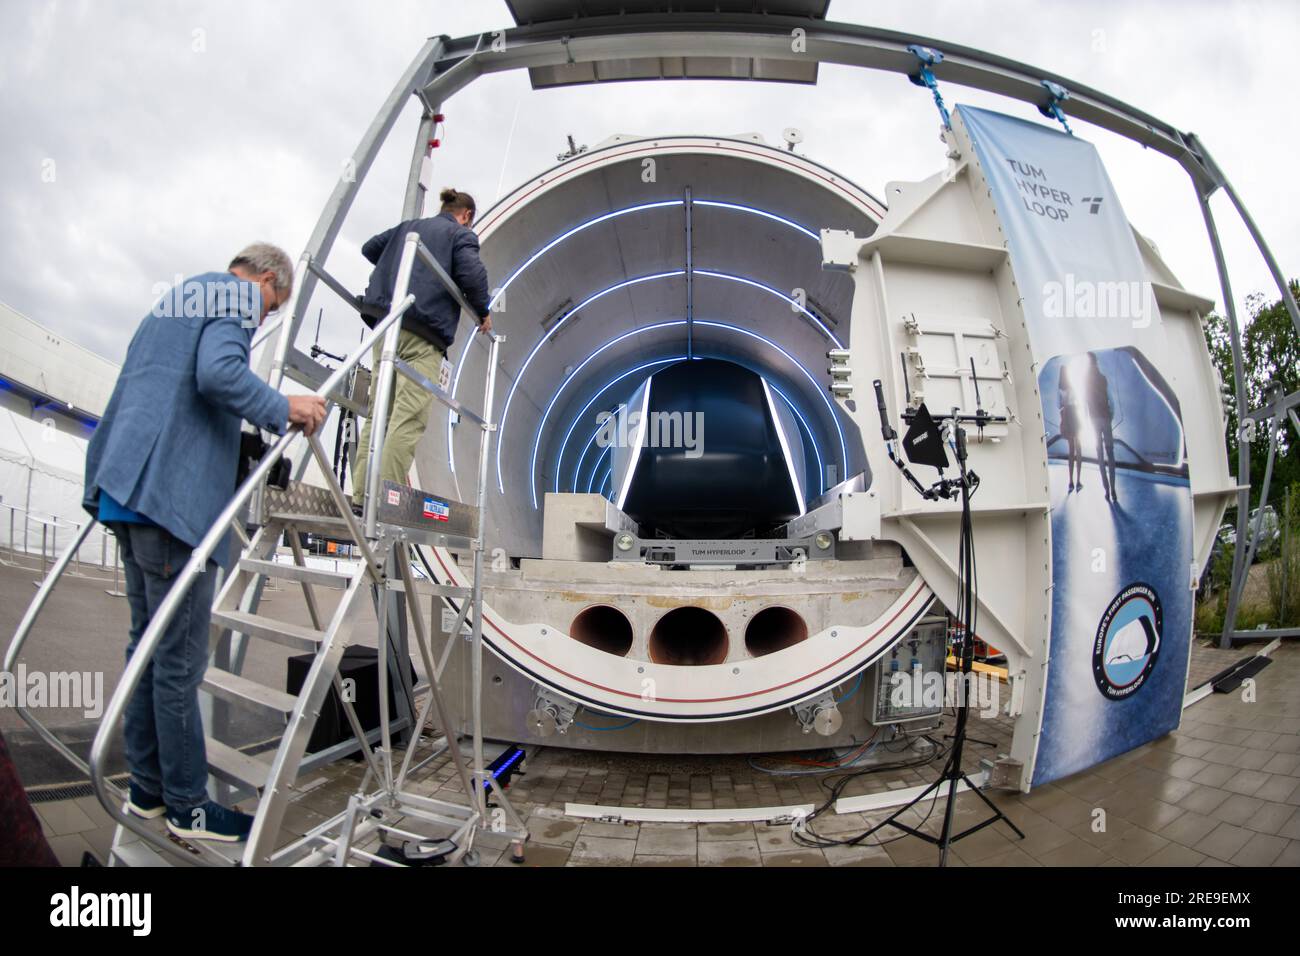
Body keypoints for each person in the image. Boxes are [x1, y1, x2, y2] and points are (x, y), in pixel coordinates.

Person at [83, 243, 327, 843]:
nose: (264, 317)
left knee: (147, 651)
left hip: (125, 487)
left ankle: (148, 792)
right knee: (179, 665)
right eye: (274, 305)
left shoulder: (174, 301)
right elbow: (218, 374)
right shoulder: (236, 292)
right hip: (171, 502)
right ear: (268, 280)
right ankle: (190, 808)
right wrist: (283, 407)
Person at [351, 188, 492, 511]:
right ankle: (388, 500)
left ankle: (361, 496)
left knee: (378, 415)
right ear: (467, 214)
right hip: (423, 334)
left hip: (385, 326)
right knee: (408, 418)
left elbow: (369, 248)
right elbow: (472, 276)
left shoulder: (407, 228)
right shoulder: (460, 235)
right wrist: (483, 312)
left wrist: (400, 266)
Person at [1083, 351, 1119, 504]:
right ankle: (1113, 489)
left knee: (1100, 456)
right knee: (1110, 454)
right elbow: (1112, 401)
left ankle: (1105, 489)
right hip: (1105, 418)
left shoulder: (1085, 381)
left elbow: (1085, 404)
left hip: (1094, 420)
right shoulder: (1103, 379)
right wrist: (1110, 416)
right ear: (1096, 362)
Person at [1058, 367, 1083, 493]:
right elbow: (1079, 404)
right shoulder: (1074, 388)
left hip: (1067, 420)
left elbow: (1060, 407)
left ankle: (1070, 482)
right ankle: (1078, 481)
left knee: (1071, 451)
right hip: (1075, 418)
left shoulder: (1060, 390)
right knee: (1078, 450)